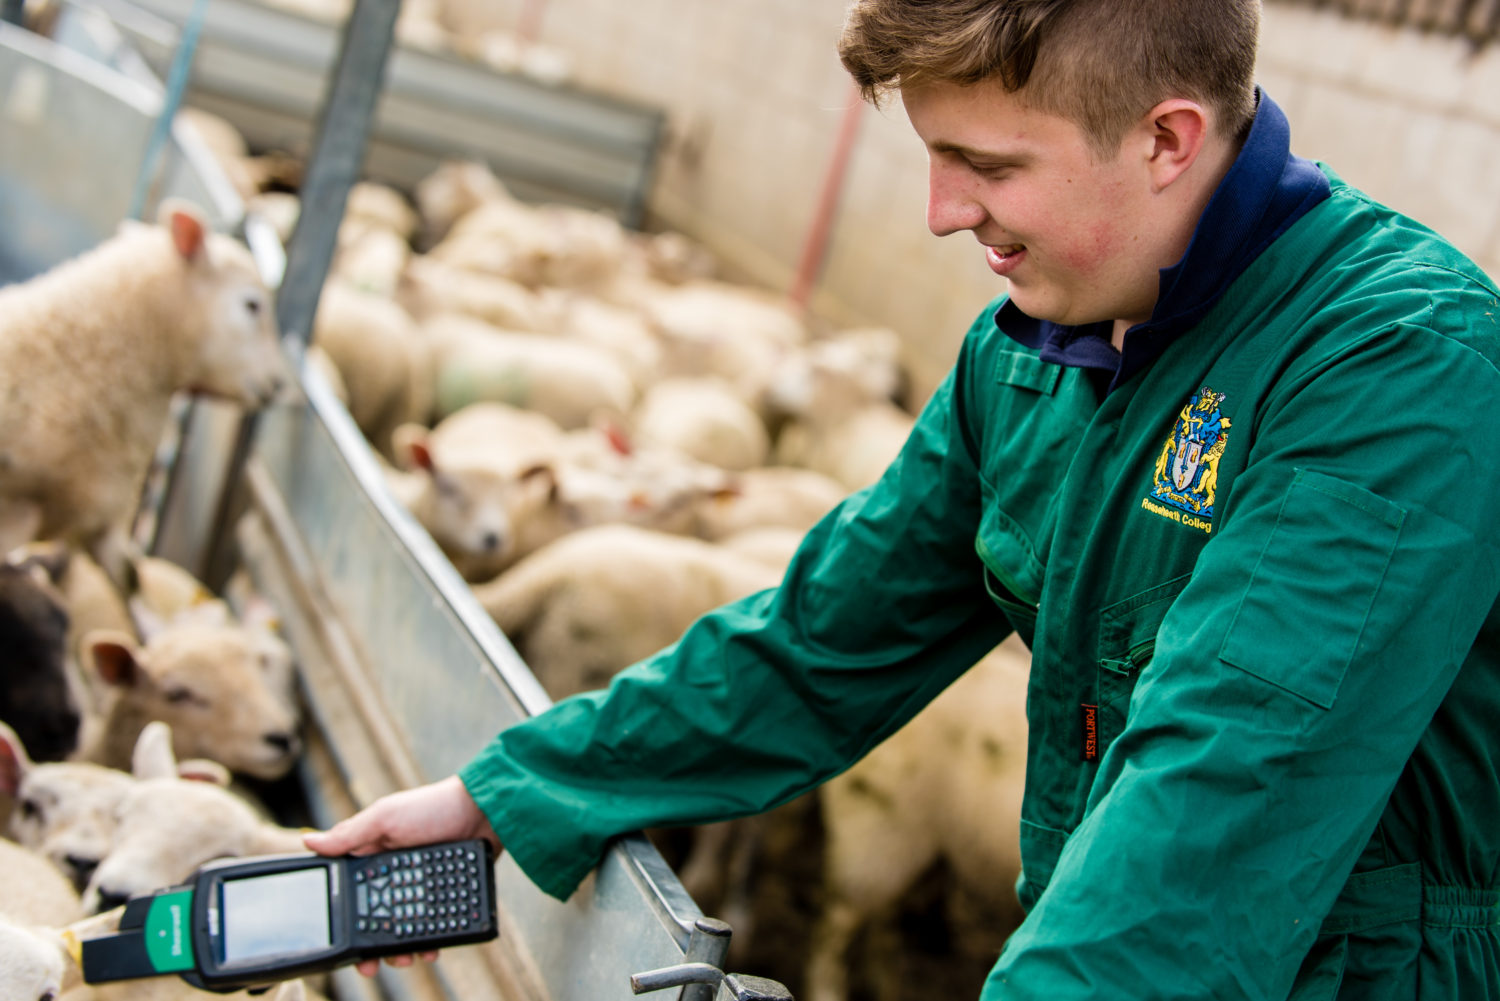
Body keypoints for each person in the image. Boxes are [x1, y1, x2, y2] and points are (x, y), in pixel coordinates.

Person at [305, 0, 1500, 997]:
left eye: (987, 164)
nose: (941, 211)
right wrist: (511, 789)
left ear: (1167, 138)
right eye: (933, 156)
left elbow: (1230, 786)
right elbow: (824, 636)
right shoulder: (1031, 355)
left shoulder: (1401, 367)